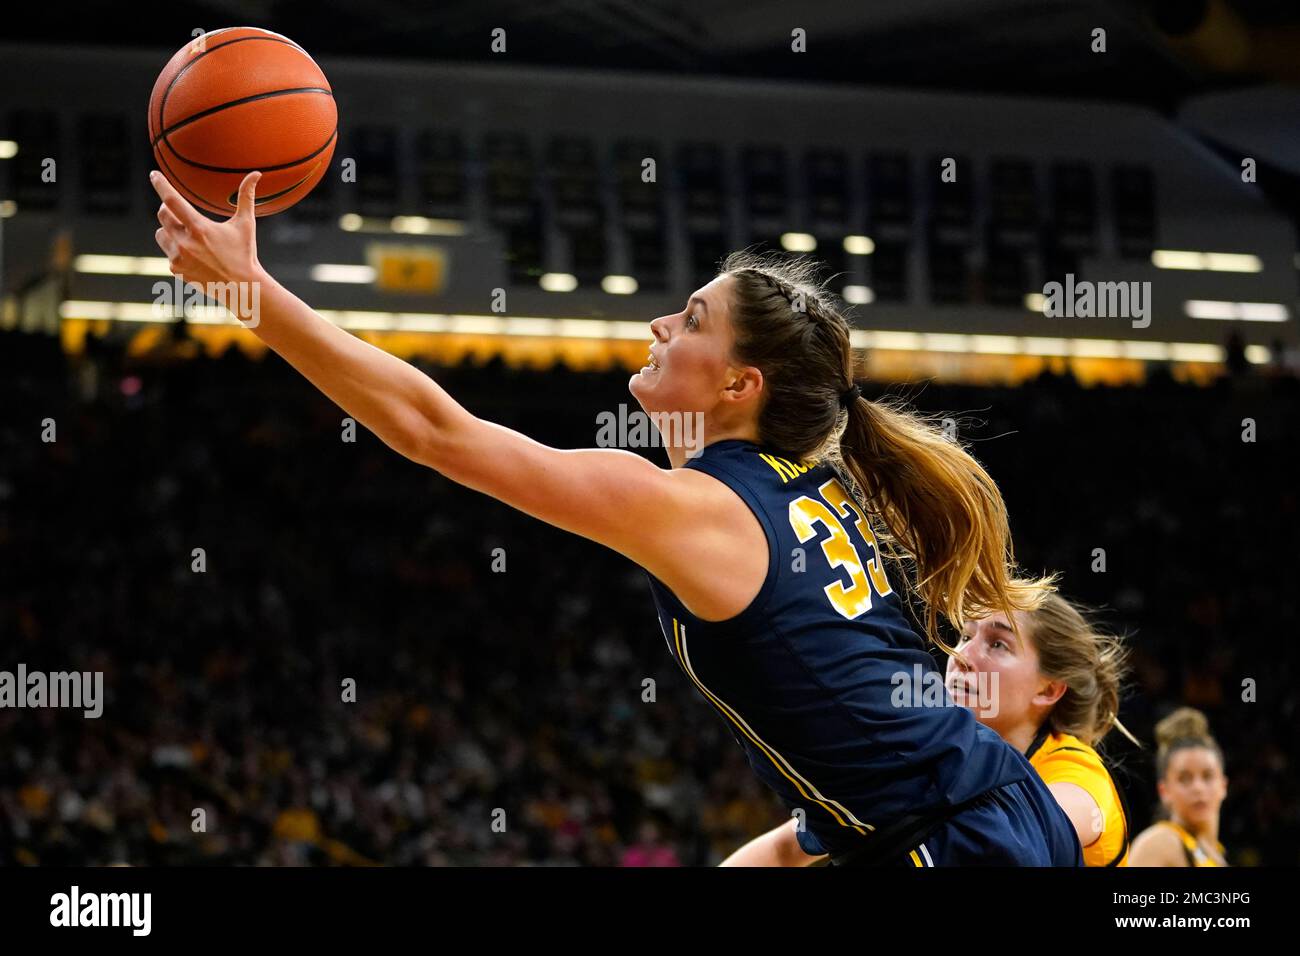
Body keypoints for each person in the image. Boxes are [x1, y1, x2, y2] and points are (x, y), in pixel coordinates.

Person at [149, 171, 1079, 866]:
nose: (659, 324)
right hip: (978, 819)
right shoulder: (803, 481)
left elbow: (438, 432)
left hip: (956, 842)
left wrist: (249, 293)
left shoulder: (700, 509)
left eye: (692, 320)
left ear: (739, 384)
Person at [723, 590, 1133, 866]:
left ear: (1048, 690)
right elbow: (786, 848)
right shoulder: (933, 749)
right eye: (963, 634)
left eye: (998, 644)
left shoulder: (1076, 773)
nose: (962, 655)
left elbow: (1018, 837)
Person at [1128, 708, 1228, 866]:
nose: (1198, 788)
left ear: (1223, 785)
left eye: (1207, 776)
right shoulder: (1160, 843)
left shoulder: (1216, 854)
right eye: (1185, 779)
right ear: (1164, 790)